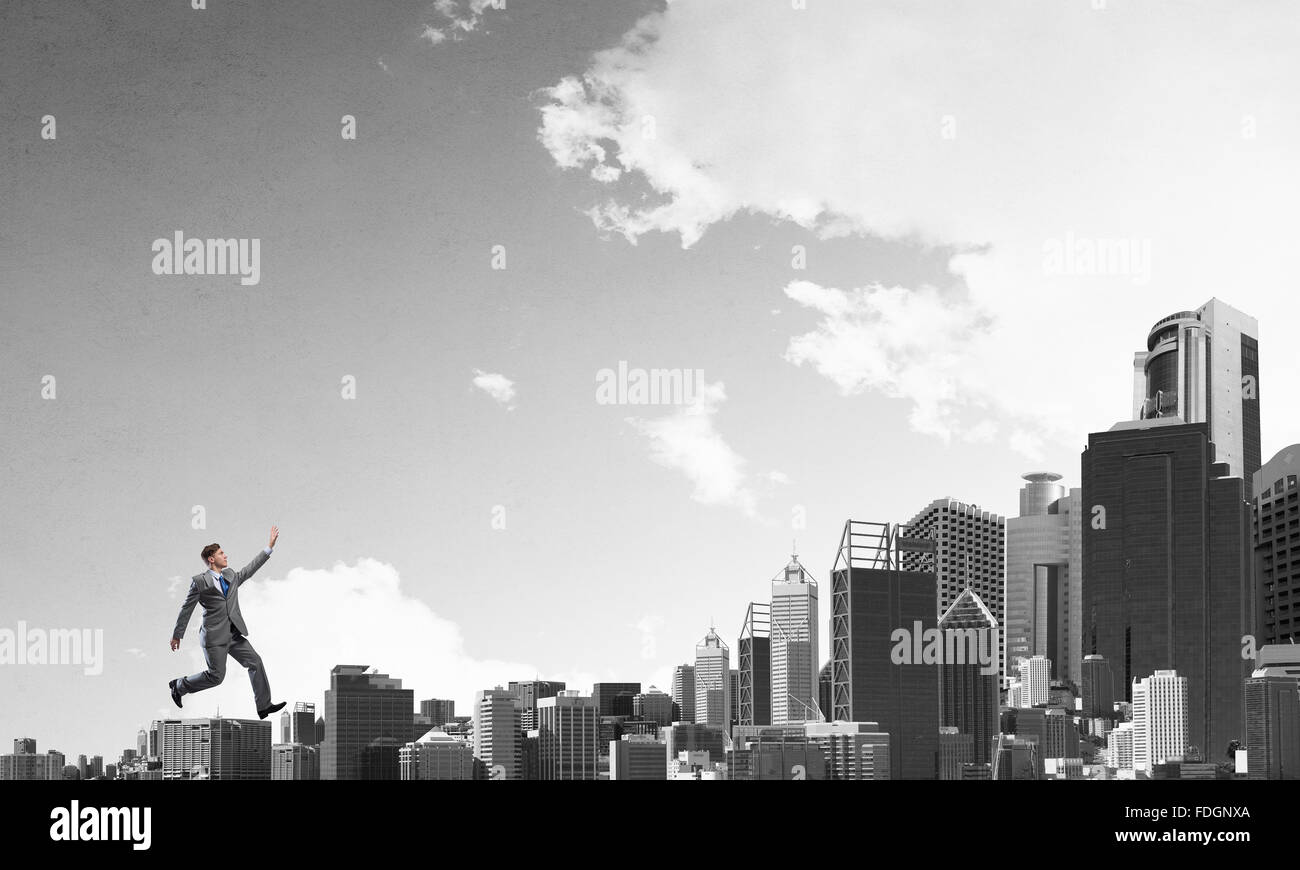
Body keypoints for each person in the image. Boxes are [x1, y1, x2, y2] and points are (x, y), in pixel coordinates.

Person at [169, 525, 285, 719]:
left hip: (233, 634)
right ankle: (179, 686)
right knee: (216, 677)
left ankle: (263, 706)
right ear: (212, 559)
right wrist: (177, 635)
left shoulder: (230, 575)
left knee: (255, 662)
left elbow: (248, 570)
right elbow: (186, 609)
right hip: (214, 637)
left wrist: (269, 547)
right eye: (222, 553)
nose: (226, 556)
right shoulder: (200, 582)